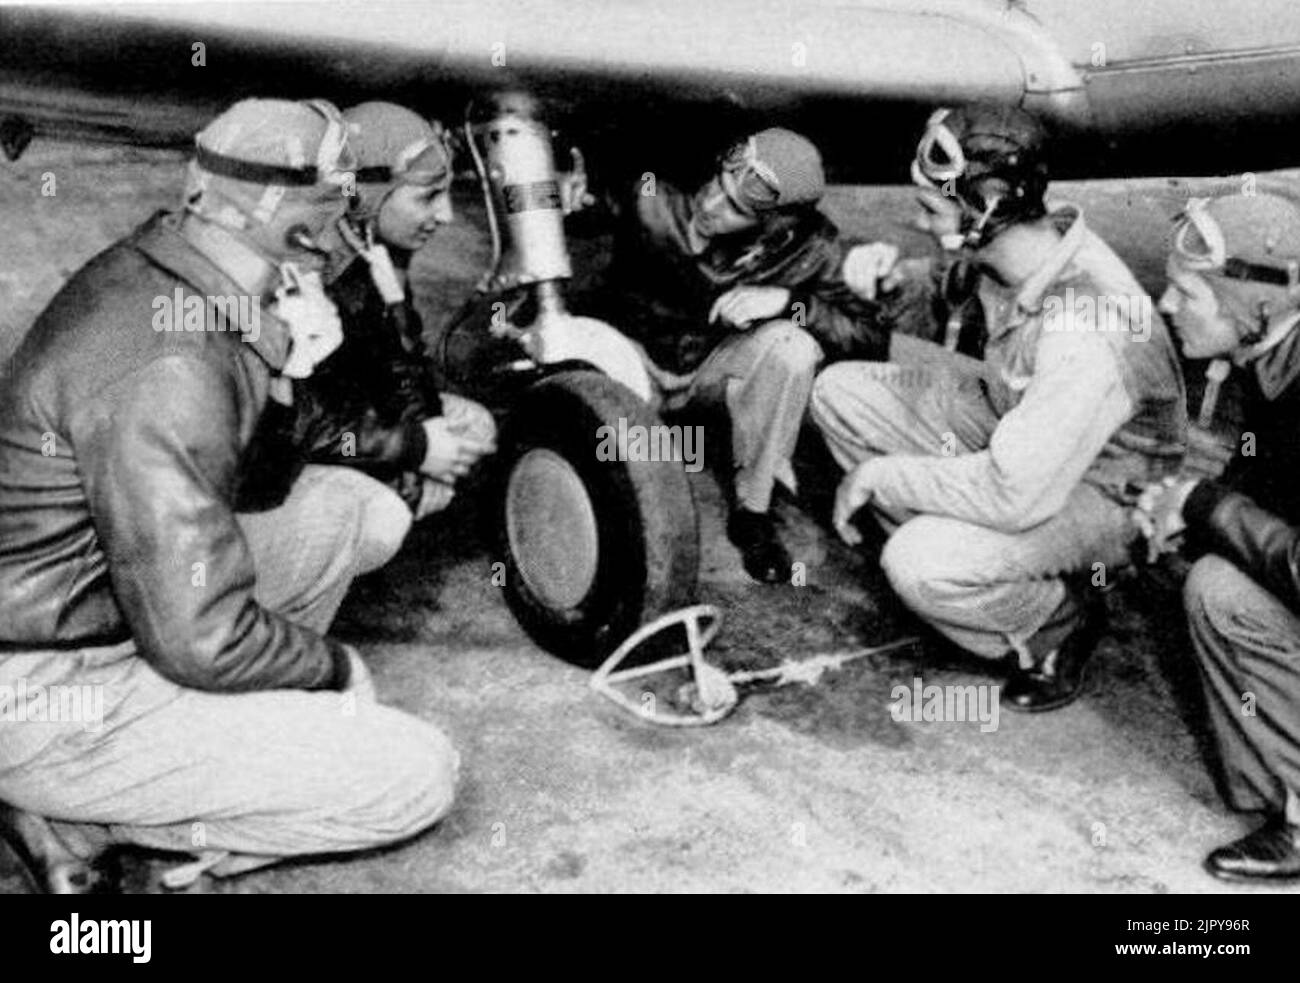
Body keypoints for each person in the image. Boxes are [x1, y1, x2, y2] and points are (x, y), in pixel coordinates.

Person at [0, 98, 458, 894]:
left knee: (349, 508)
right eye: (340, 202)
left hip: (109, 597)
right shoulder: (171, 358)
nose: (353, 224)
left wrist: (281, 372)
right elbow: (199, 637)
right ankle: (79, 809)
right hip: (49, 686)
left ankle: (183, 753)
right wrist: (332, 667)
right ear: (300, 226)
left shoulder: (176, 267)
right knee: (416, 772)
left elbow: (261, 489)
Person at [811, 103, 1187, 711]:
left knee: (918, 561)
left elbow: (1015, 494)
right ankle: (981, 569)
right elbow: (958, 281)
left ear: (985, 211)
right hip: (1017, 414)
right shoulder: (1030, 240)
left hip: (1108, 489)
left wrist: (882, 475)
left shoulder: (1088, 330)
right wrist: (894, 276)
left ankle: (1057, 621)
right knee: (839, 394)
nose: (918, 218)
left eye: (932, 208)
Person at [570, 128, 921, 582]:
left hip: (711, 376)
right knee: (609, 474)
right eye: (718, 182)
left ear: (778, 224)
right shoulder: (652, 193)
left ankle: (753, 511)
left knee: (793, 346)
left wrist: (791, 303)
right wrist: (559, 199)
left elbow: (870, 337)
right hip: (633, 361)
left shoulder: (811, 247)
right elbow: (575, 215)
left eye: (736, 207)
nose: (712, 204)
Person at [1136, 188, 1300, 882]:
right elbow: (1267, 481)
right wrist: (1186, 513)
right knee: (1208, 574)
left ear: (1251, 304)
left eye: (1187, 293)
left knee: (1222, 592)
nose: (1168, 307)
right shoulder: (1278, 354)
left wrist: (1202, 505)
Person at [236, 100, 496, 522]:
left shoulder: (366, 244)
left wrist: (429, 441)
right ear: (370, 193)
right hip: (277, 456)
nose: (446, 215)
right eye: (429, 196)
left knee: (472, 427)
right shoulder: (306, 269)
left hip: (349, 418)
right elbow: (302, 425)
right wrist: (412, 452)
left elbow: (398, 366)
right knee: (382, 516)